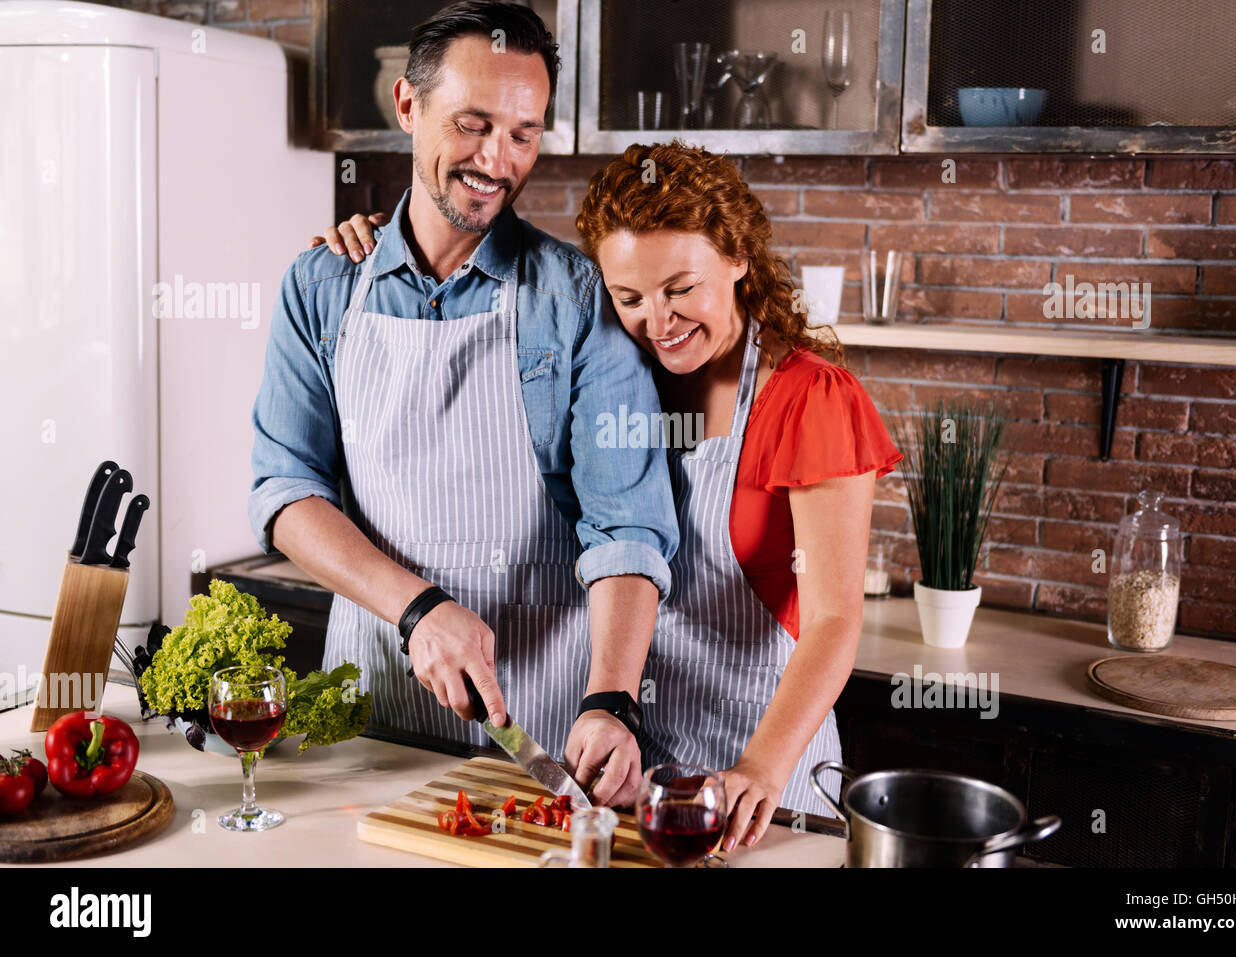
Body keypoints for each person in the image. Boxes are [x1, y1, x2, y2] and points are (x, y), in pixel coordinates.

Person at [324, 142, 901, 850]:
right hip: (637, 770)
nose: (659, 321)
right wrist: (389, 242)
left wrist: (761, 766)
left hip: (761, 782)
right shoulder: (624, 372)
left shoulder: (809, 396)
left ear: (739, 256)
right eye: (629, 297)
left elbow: (837, 619)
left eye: (680, 288)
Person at [248, 0, 678, 809]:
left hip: (541, 737)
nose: (497, 159)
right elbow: (284, 491)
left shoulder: (576, 296)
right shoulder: (322, 284)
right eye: (473, 124)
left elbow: (629, 524)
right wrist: (419, 610)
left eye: (524, 133)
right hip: (368, 724)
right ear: (407, 106)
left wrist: (612, 701)